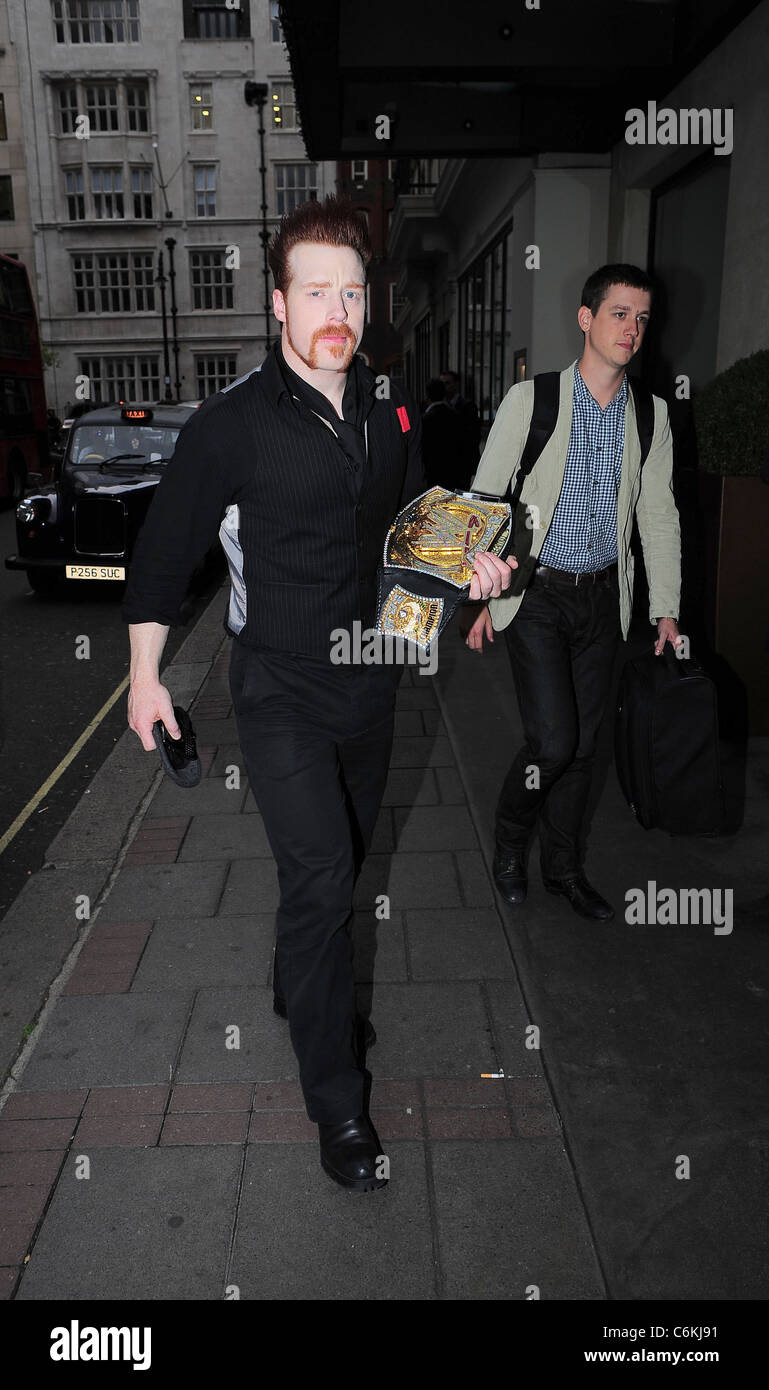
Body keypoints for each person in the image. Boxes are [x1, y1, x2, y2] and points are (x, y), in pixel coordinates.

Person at [122, 195, 514, 1192]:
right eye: (315, 291)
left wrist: (461, 570)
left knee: (338, 874)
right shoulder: (231, 426)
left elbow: (415, 520)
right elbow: (164, 555)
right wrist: (142, 676)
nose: (336, 309)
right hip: (278, 686)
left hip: (370, 679)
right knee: (321, 879)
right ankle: (338, 1103)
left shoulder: (389, 401)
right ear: (278, 304)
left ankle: (306, 982)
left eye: (351, 289)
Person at [465, 263, 681, 921]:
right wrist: (476, 598)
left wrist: (664, 607)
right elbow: (482, 501)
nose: (631, 329)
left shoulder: (650, 415)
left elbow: (657, 512)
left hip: (601, 601)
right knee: (553, 742)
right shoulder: (531, 402)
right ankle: (508, 844)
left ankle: (561, 868)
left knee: (585, 748)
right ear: (585, 318)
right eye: (618, 313)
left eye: (641, 318)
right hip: (535, 597)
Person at [421, 377, 467, 490]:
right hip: (453, 474)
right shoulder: (456, 416)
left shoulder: (424, 420)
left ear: (427, 396)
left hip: (432, 476)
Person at [440, 368, 481, 483]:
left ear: (456, 384)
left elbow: (473, 436)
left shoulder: (467, 406)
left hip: (462, 464)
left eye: (447, 383)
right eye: (442, 384)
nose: (444, 387)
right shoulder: (439, 408)